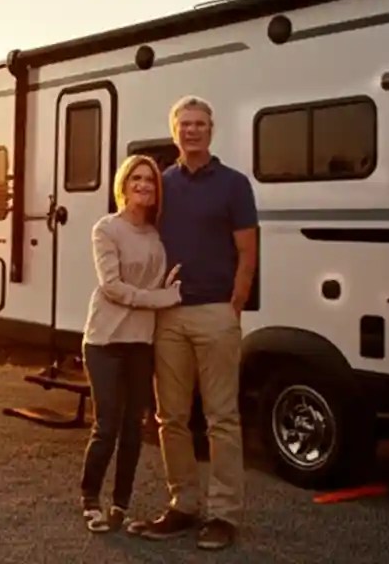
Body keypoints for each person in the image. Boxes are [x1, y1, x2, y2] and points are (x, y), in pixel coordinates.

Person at [128, 95, 258, 551]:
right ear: (174, 130)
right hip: (170, 316)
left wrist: (235, 303)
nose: (193, 130)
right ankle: (183, 505)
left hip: (215, 313)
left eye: (200, 123)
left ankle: (223, 514)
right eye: (185, 124)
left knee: (222, 417)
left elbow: (247, 250)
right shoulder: (162, 185)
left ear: (211, 130)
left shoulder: (235, 185)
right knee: (171, 418)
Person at [79, 154, 183, 533]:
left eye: (151, 180)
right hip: (105, 340)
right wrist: (162, 298)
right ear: (123, 185)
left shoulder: (157, 234)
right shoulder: (106, 228)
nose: (144, 185)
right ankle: (91, 498)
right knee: (106, 425)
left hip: (141, 341)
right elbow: (112, 287)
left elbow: (157, 285)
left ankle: (120, 503)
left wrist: (168, 288)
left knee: (133, 426)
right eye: (136, 178)